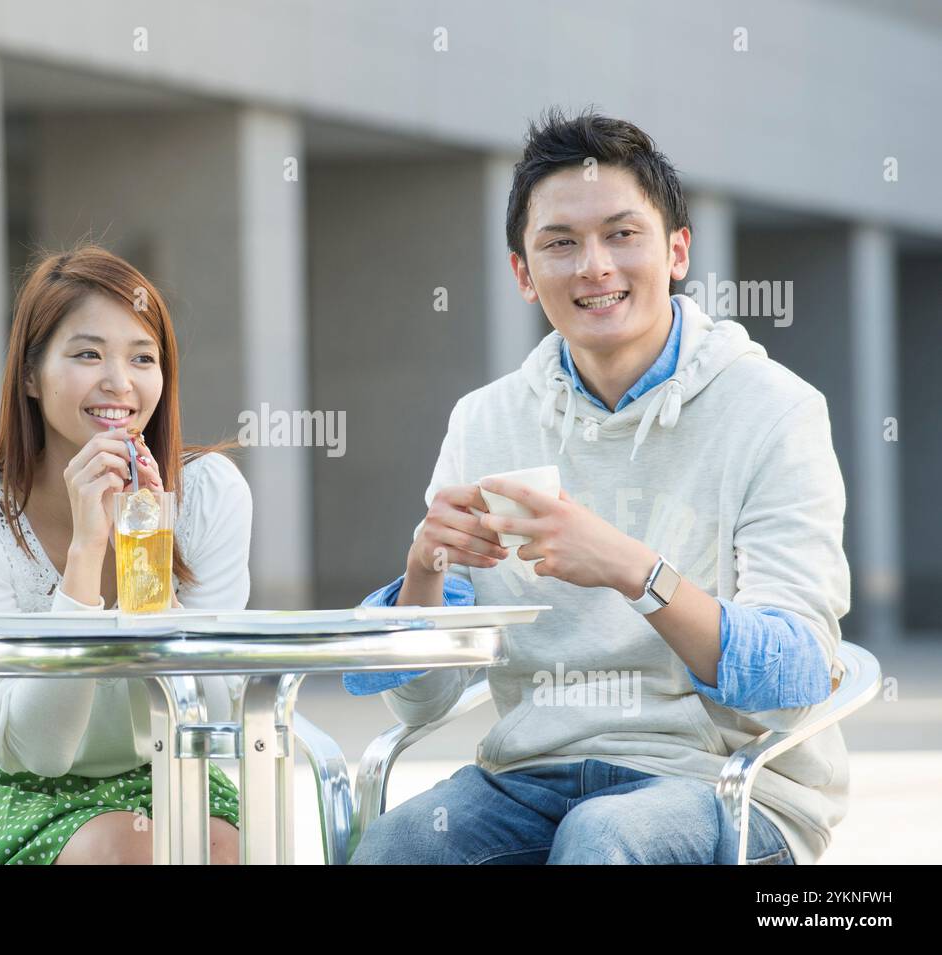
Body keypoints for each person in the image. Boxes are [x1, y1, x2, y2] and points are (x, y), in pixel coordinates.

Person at [345, 107, 850, 865]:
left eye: (622, 234)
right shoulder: (485, 421)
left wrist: (630, 569)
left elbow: (794, 680)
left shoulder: (776, 411)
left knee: (603, 837)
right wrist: (425, 571)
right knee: (396, 845)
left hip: (724, 788)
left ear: (677, 250)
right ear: (522, 273)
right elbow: (421, 700)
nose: (594, 266)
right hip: (527, 780)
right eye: (560, 244)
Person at [0, 243, 253, 864]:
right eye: (87, 354)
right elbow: (43, 750)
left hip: (162, 773)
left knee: (220, 844)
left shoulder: (209, 492)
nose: (120, 382)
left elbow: (209, 718)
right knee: (121, 850)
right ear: (29, 375)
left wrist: (145, 550)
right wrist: (86, 553)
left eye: (143, 358)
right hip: (3, 786)